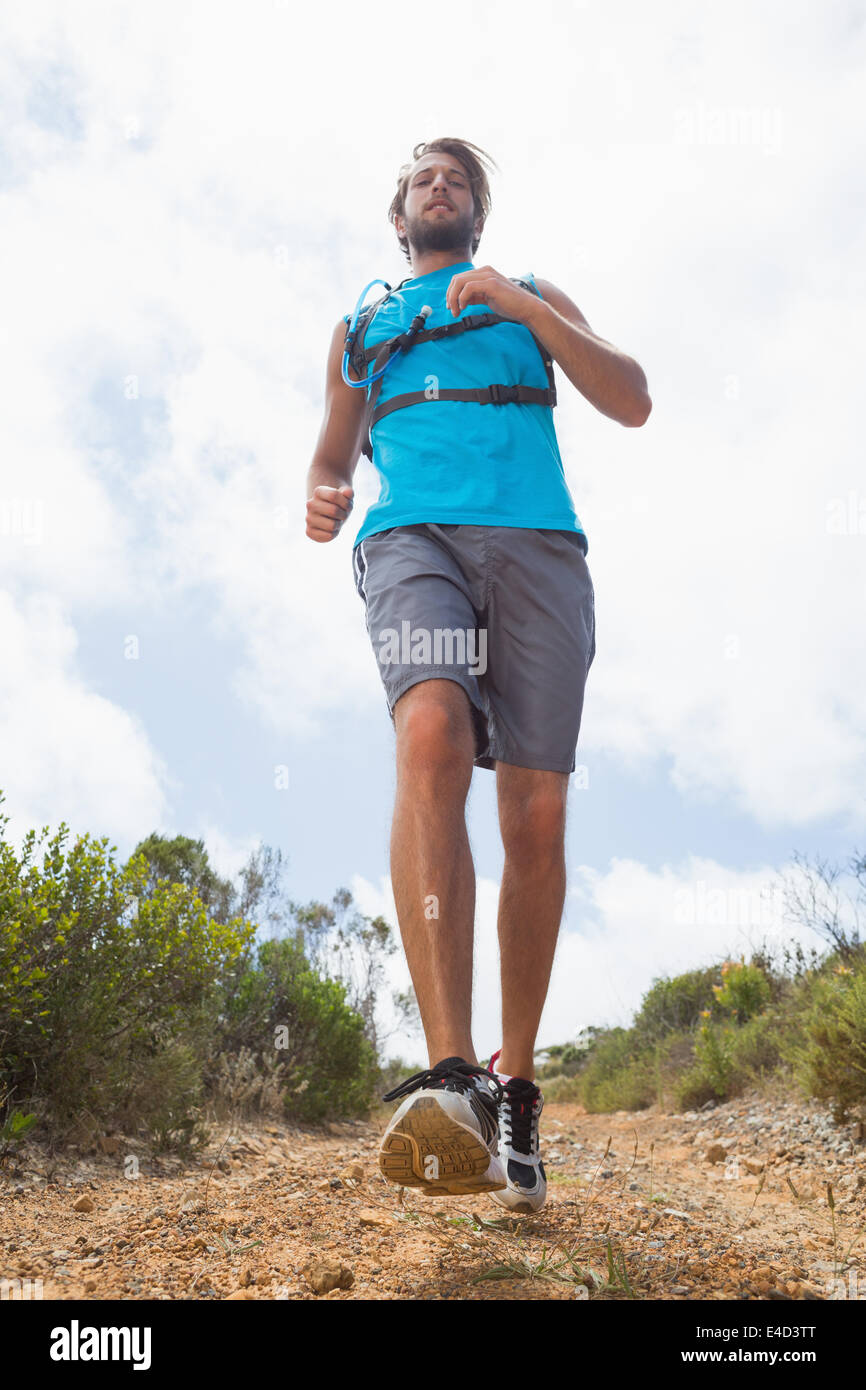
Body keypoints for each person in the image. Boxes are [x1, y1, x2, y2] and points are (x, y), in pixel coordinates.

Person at [306, 137, 651, 1212]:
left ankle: (513, 1080)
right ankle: (450, 1074)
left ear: (476, 213)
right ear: (400, 218)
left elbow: (631, 397)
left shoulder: (527, 294)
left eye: (454, 173)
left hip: (541, 550)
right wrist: (322, 492)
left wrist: (522, 305)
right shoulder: (361, 331)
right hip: (414, 543)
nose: (436, 180)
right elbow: (330, 454)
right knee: (430, 736)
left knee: (534, 820)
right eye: (419, 175)